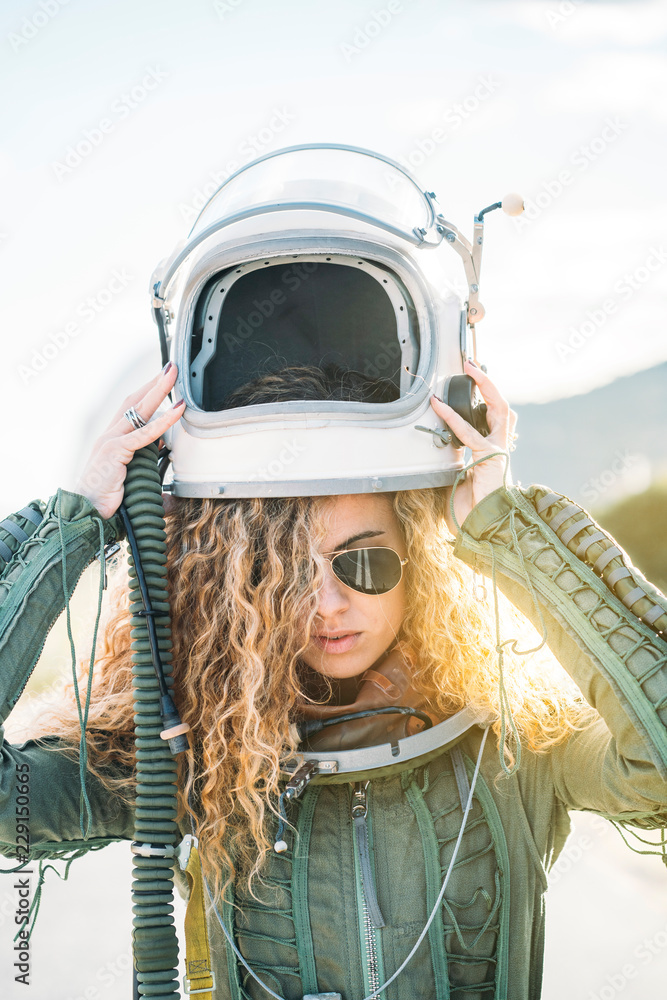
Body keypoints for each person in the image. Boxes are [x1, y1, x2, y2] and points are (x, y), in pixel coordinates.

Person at [1, 357, 666, 1000]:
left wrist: (507, 527)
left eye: (363, 563)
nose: (326, 605)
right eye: (283, 573)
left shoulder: (515, 743)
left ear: (421, 559)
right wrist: (75, 522)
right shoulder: (196, 762)